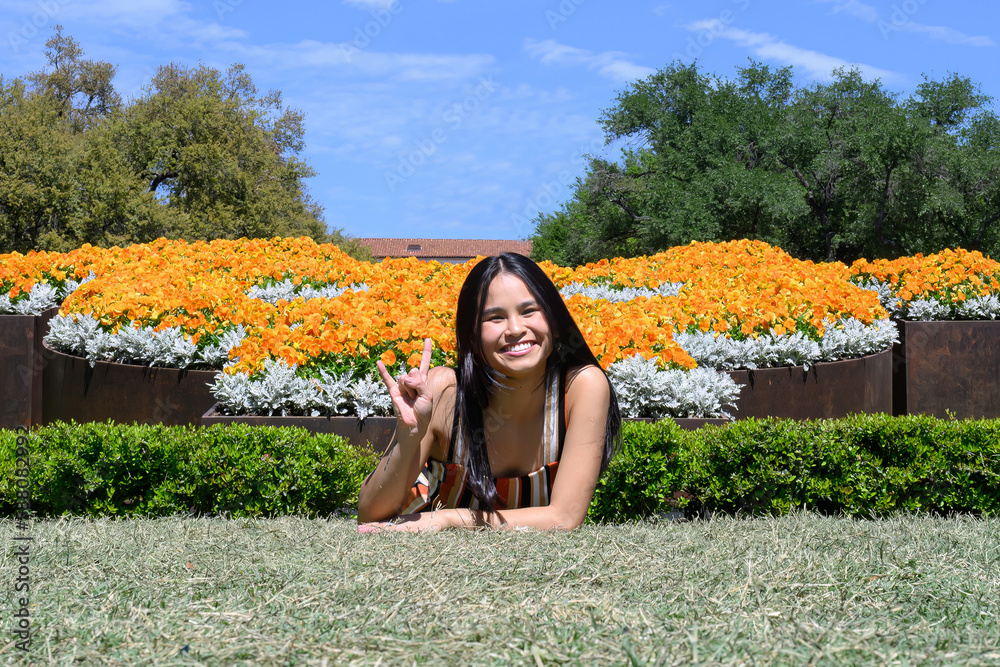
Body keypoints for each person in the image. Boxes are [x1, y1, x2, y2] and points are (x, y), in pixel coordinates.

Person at [357, 252, 621, 531]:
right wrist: (409, 438)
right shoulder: (444, 391)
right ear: (473, 336)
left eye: (529, 311)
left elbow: (565, 517)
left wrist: (449, 519)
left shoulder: (581, 387)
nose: (515, 329)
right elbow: (369, 514)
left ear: (555, 321)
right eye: (495, 317)